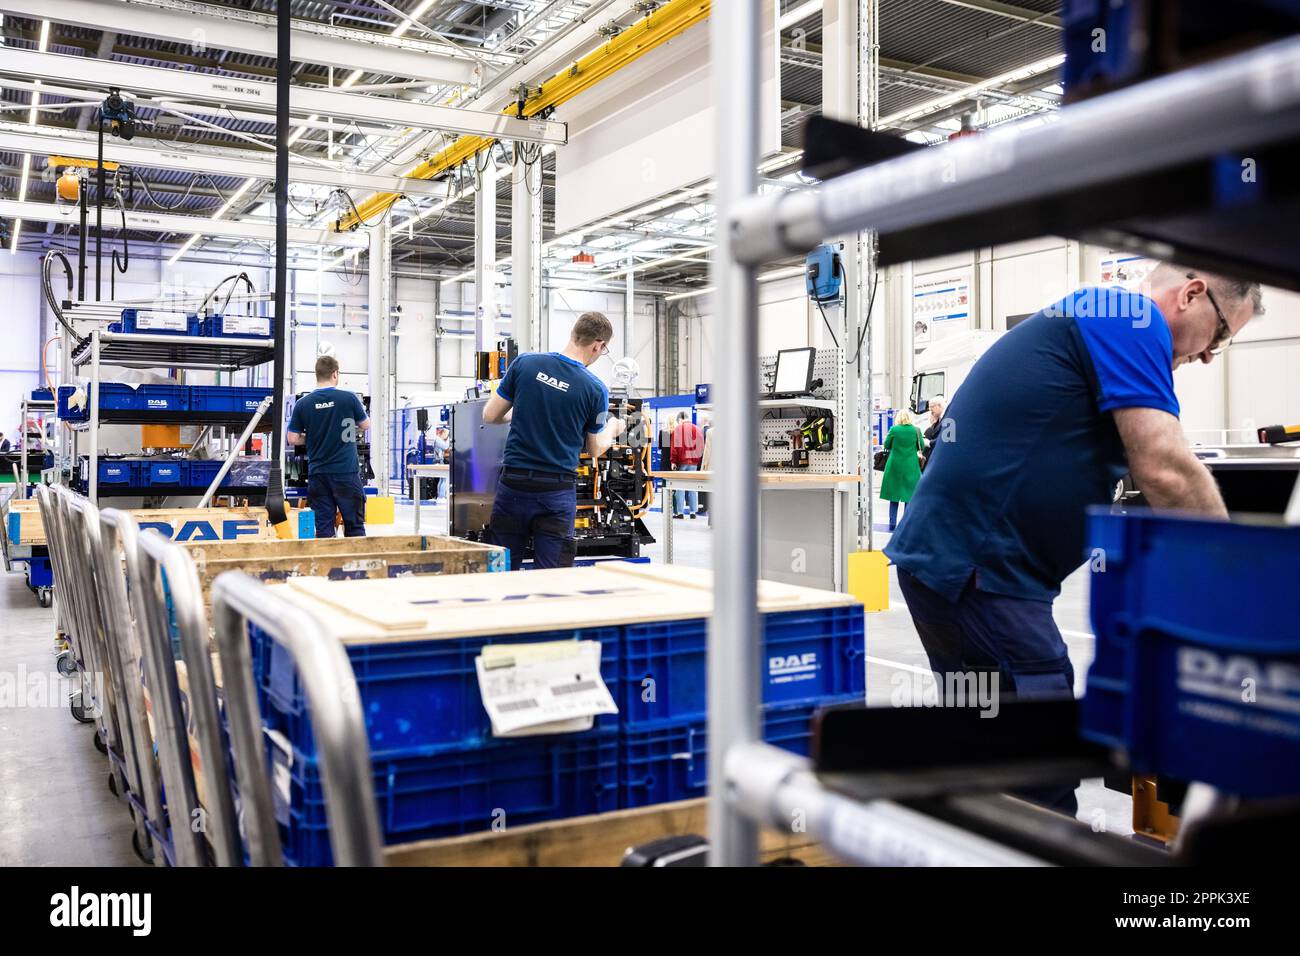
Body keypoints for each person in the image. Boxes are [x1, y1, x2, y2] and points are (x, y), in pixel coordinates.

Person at [885, 264, 1263, 816]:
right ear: (1192, 293)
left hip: (947, 566)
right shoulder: (1132, 320)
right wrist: (1242, 588)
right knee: (1044, 762)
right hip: (981, 573)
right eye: (1223, 334)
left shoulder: (1100, 322)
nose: (1211, 355)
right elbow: (1165, 469)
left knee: (992, 751)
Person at [482, 312, 625, 569]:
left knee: (501, 569)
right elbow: (593, 448)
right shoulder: (595, 389)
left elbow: (490, 415)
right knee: (553, 575)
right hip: (555, 492)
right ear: (598, 345)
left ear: (573, 334)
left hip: (513, 484)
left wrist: (525, 409)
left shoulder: (525, 363)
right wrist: (613, 428)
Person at [286, 354, 371, 538]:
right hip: (346, 473)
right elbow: (365, 425)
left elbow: (292, 438)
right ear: (335, 374)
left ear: (317, 375)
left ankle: (327, 566)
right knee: (355, 527)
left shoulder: (303, 404)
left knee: (324, 530)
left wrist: (311, 438)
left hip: (319, 475)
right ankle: (356, 566)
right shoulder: (349, 398)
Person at [880, 410, 922, 531]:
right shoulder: (916, 430)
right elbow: (922, 446)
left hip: (895, 466)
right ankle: (906, 524)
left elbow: (887, 445)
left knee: (894, 495)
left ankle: (892, 524)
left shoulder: (894, 429)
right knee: (908, 496)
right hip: (911, 466)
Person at [670, 412, 704, 519]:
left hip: (682, 462)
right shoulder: (697, 429)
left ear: (680, 419)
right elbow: (701, 447)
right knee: (693, 487)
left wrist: (673, 461)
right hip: (694, 462)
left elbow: (675, 447)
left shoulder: (678, 429)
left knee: (680, 487)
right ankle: (693, 512)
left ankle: (680, 512)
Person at [921, 396, 946, 467]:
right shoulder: (940, 420)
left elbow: (947, 442)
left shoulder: (948, 419)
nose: (929, 409)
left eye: (932, 406)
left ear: (939, 406)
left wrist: (928, 442)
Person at [429, 426, 450, 500]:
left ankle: (440, 496)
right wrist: (449, 439)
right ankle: (442, 496)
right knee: (444, 479)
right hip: (440, 461)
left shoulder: (438, 439)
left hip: (440, 461)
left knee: (442, 479)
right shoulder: (438, 439)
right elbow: (445, 446)